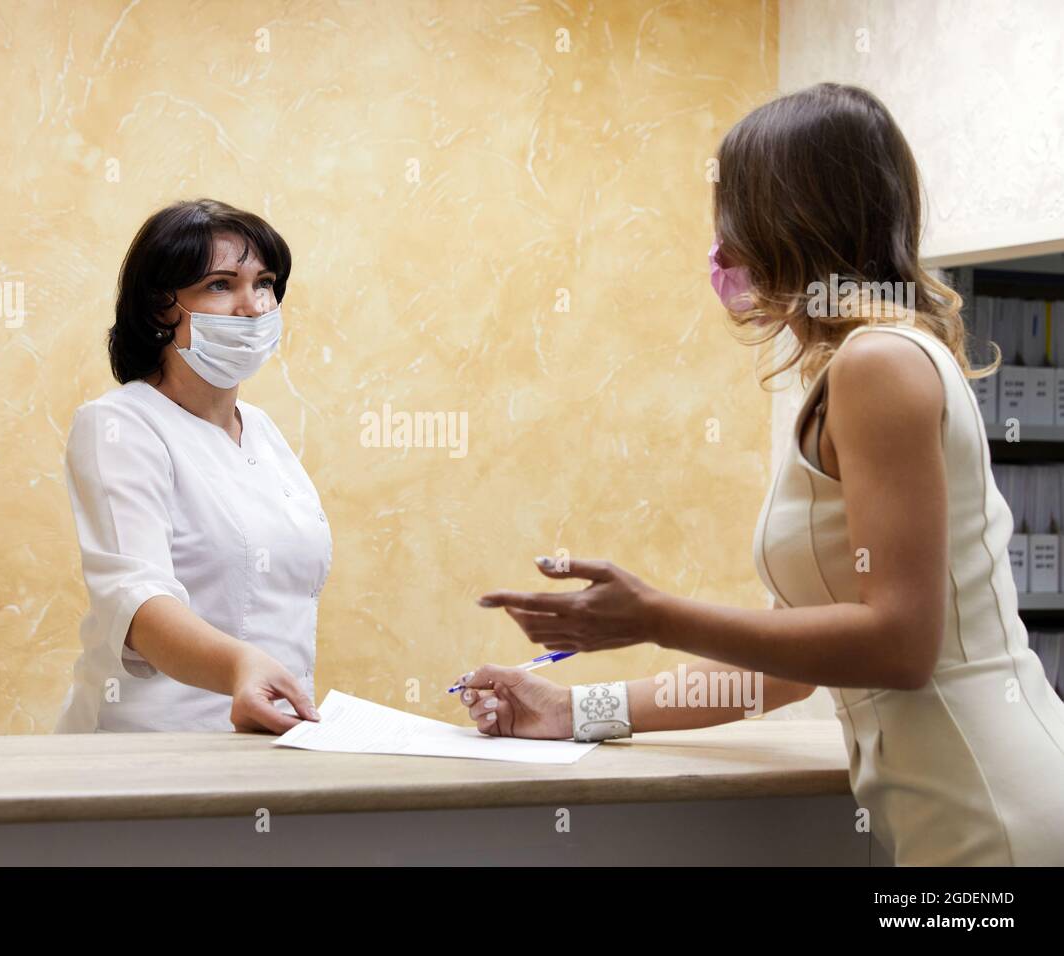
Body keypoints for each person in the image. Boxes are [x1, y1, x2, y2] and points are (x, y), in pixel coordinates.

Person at [459, 83, 1064, 866]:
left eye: (732, 206)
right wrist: (576, 709)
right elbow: (785, 671)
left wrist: (656, 615)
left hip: (995, 825)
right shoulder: (864, 364)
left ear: (785, 220)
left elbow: (901, 646)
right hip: (966, 814)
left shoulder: (880, 363)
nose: (721, 239)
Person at [55, 199, 330, 734]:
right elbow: (138, 605)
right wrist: (240, 667)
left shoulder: (264, 432)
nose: (253, 307)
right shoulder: (119, 425)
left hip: (268, 742)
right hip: (152, 751)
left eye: (265, 283)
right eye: (221, 285)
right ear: (162, 307)